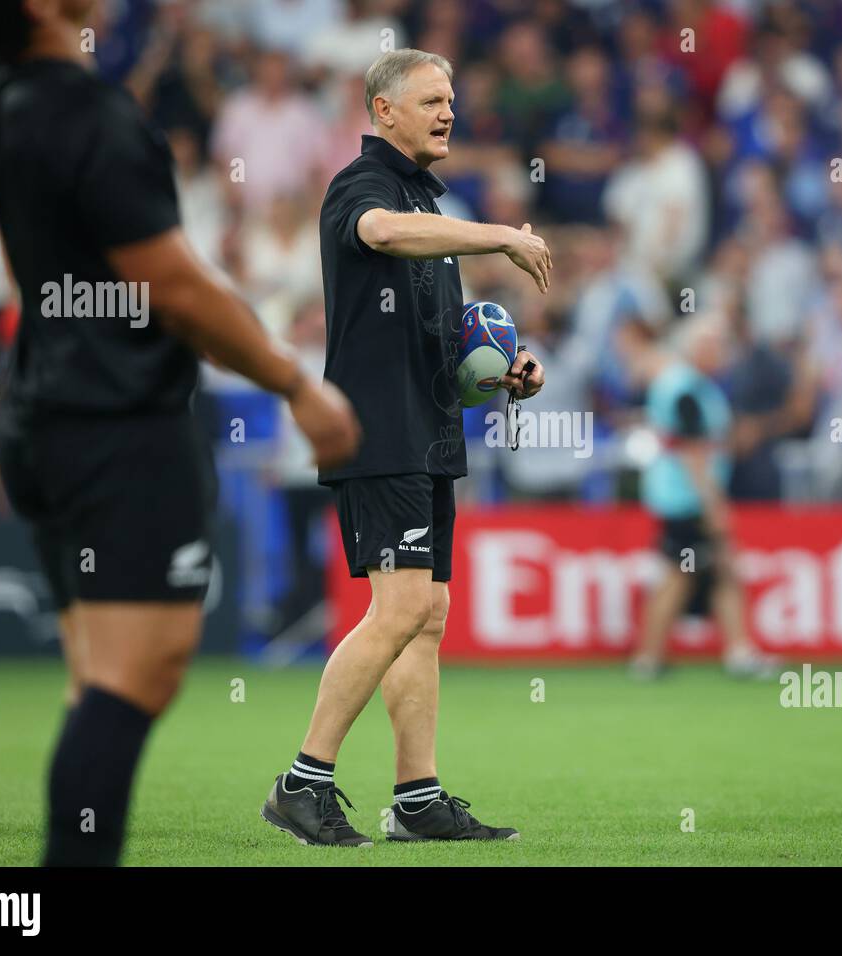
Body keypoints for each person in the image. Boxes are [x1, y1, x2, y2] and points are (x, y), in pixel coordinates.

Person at [0, 0, 359, 866]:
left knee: (95, 679)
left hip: (42, 400)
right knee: (135, 679)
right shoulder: (86, 113)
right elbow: (174, 286)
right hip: (116, 415)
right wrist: (295, 385)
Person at [261, 48, 549, 847]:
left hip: (426, 431)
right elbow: (381, 233)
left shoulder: (428, 201)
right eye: (429, 100)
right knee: (402, 609)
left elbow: (434, 346)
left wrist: (495, 379)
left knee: (428, 614)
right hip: (379, 430)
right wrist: (498, 236)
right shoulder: (368, 189)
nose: (448, 111)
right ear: (384, 112)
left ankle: (416, 799)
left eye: (451, 98)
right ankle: (302, 783)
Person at [618, 313, 773, 680]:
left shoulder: (691, 385)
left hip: (680, 496)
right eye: (713, 344)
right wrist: (714, 506)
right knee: (682, 574)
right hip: (686, 498)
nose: (721, 352)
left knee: (715, 571)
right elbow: (694, 454)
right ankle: (650, 657)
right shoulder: (685, 388)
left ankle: (734, 651)